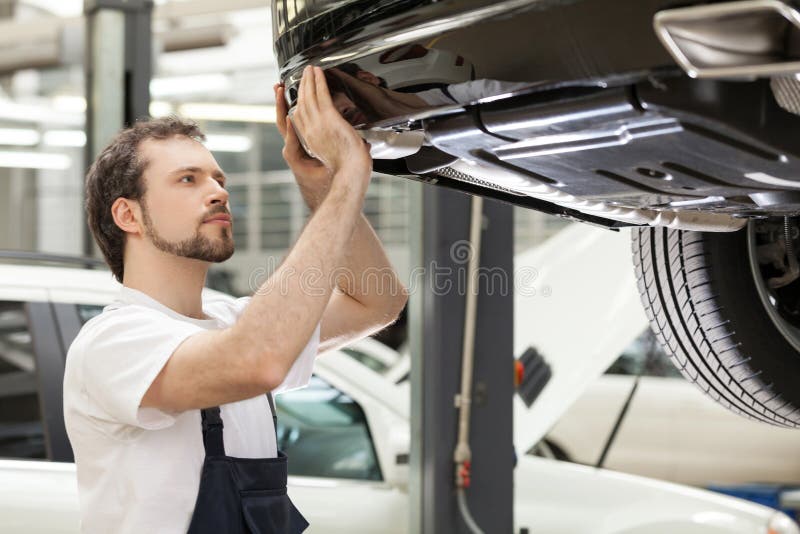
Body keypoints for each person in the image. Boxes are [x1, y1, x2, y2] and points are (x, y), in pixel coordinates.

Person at [63, 65, 407, 534]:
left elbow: (378, 302)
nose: (218, 192)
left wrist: (321, 184)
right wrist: (349, 177)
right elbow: (256, 360)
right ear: (129, 214)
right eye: (188, 179)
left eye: (218, 179)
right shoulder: (114, 341)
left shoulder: (233, 321)